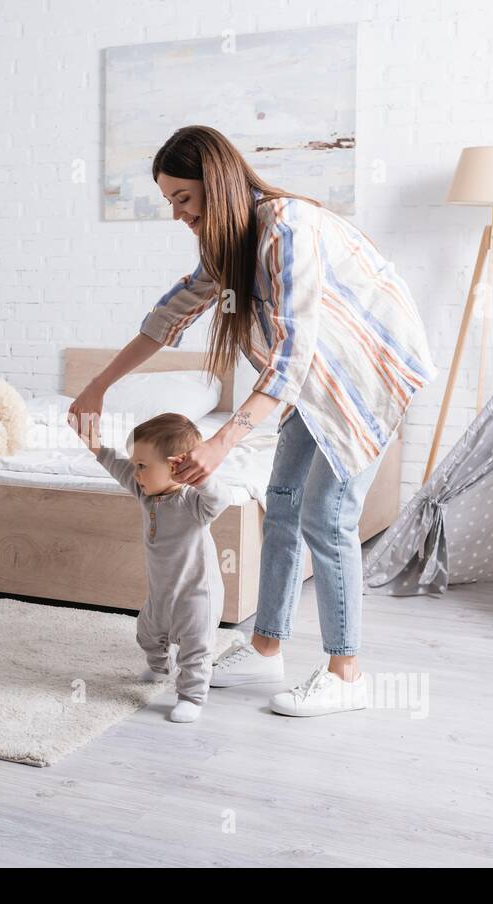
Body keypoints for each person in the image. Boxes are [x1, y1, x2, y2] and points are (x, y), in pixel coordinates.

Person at [69, 125, 437, 718]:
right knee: (283, 499)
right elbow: (172, 313)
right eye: (169, 201)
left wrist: (222, 440)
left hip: (367, 371)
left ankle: (347, 673)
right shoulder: (232, 245)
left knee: (327, 515)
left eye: (182, 198)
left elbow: (291, 354)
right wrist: (99, 384)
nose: (176, 214)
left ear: (215, 185)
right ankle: (267, 645)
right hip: (310, 380)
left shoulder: (287, 228)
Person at [81, 413, 232, 723]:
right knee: (148, 633)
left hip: (196, 596)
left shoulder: (194, 503)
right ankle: (160, 666)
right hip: (161, 592)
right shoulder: (146, 494)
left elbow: (221, 498)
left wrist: (200, 478)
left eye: (142, 466)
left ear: (176, 467)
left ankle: (191, 696)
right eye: (135, 464)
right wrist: (92, 443)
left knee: (195, 650)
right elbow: (116, 466)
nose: (135, 473)